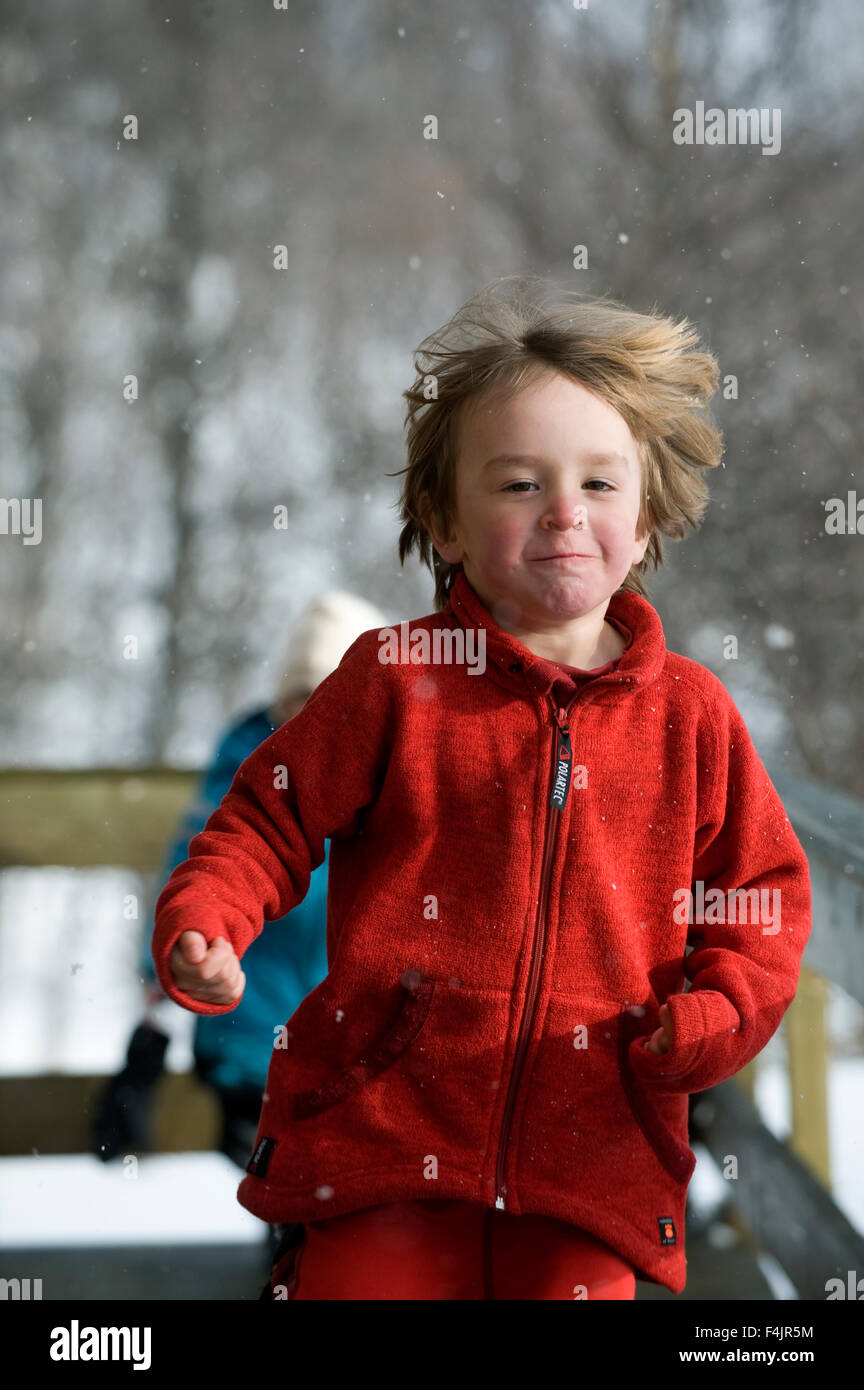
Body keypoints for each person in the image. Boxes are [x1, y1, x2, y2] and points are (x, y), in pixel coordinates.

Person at [150, 275, 812, 1300]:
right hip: (381, 1154)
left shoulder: (692, 719)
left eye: (599, 485)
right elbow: (265, 818)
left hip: (595, 1163)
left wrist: (716, 1013)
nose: (563, 512)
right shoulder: (395, 680)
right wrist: (210, 916)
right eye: (518, 484)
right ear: (444, 520)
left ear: (645, 523)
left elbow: (761, 902)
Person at [93, 592, 387, 1251]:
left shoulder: (392, 769)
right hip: (250, 1048)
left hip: (361, 1047)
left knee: (354, 1220)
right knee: (300, 1215)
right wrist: (148, 1039)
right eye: (296, 699)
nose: (308, 719)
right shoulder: (248, 767)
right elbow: (192, 891)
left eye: (328, 698)